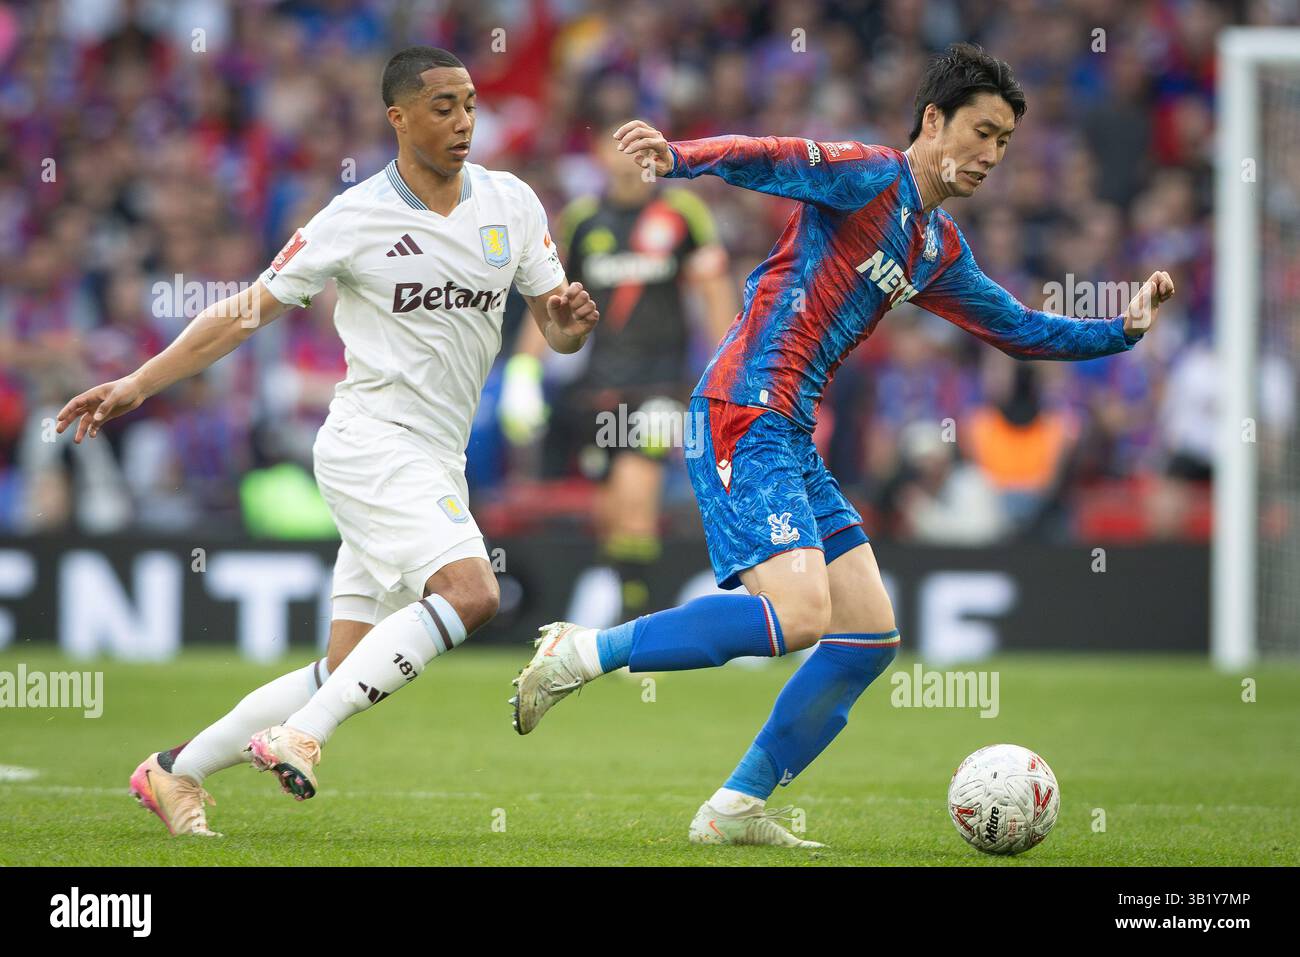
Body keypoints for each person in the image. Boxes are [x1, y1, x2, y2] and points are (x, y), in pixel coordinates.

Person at [510, 42, 1174, 848]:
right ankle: (584, 651)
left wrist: (1123, 329)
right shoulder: (868, 176)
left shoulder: (935, 245)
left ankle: (736, 808)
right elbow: (775, 156)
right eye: (982, 131)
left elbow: (1020, 329)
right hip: (741, 408)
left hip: (788, 432)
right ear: (933, 119)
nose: (992, 155)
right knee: (798, 614)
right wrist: (679, 156)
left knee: (866, 636)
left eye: (1004, 141)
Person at [56, 46, 599, 836]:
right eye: (442, 106)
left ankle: (173, 770)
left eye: (471, 103)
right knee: (474, 594)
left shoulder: (512, 203)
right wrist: (138, 383)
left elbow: (557, 330)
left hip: (434, 455)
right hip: (373, 443)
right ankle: (303, 734)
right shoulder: (353, 218)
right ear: (398, 118)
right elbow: (243, 313)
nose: (463, 121)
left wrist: (570, 326)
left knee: (345, 668)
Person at [499, 124, 737, 622]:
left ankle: (640, 632)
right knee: (611, 518)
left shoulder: (681, 214)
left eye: (638, 147)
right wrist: (523, 371)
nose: (627, 158)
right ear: (598, 156)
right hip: (598, 391)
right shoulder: (582, 221)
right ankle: (633, 617)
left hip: (661, 386)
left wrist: (727, 371)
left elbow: (713, 292)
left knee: (636, 497)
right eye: (616, 146)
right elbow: (551, 297)